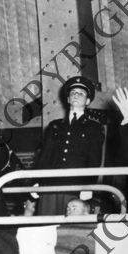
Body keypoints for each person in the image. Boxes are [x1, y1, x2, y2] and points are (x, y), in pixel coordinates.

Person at [35, 76, 105, 215]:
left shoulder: (94, 127)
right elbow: (45, 156)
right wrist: (37, 181)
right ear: (68, 99)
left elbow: (94, 160)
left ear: (88, 101)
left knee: (69, 228)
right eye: (73, 93)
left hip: (75, 186)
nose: (76, 95)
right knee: (45, 226)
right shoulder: (55, 125)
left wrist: (87, 186)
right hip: (51, 185)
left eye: (81, 93)